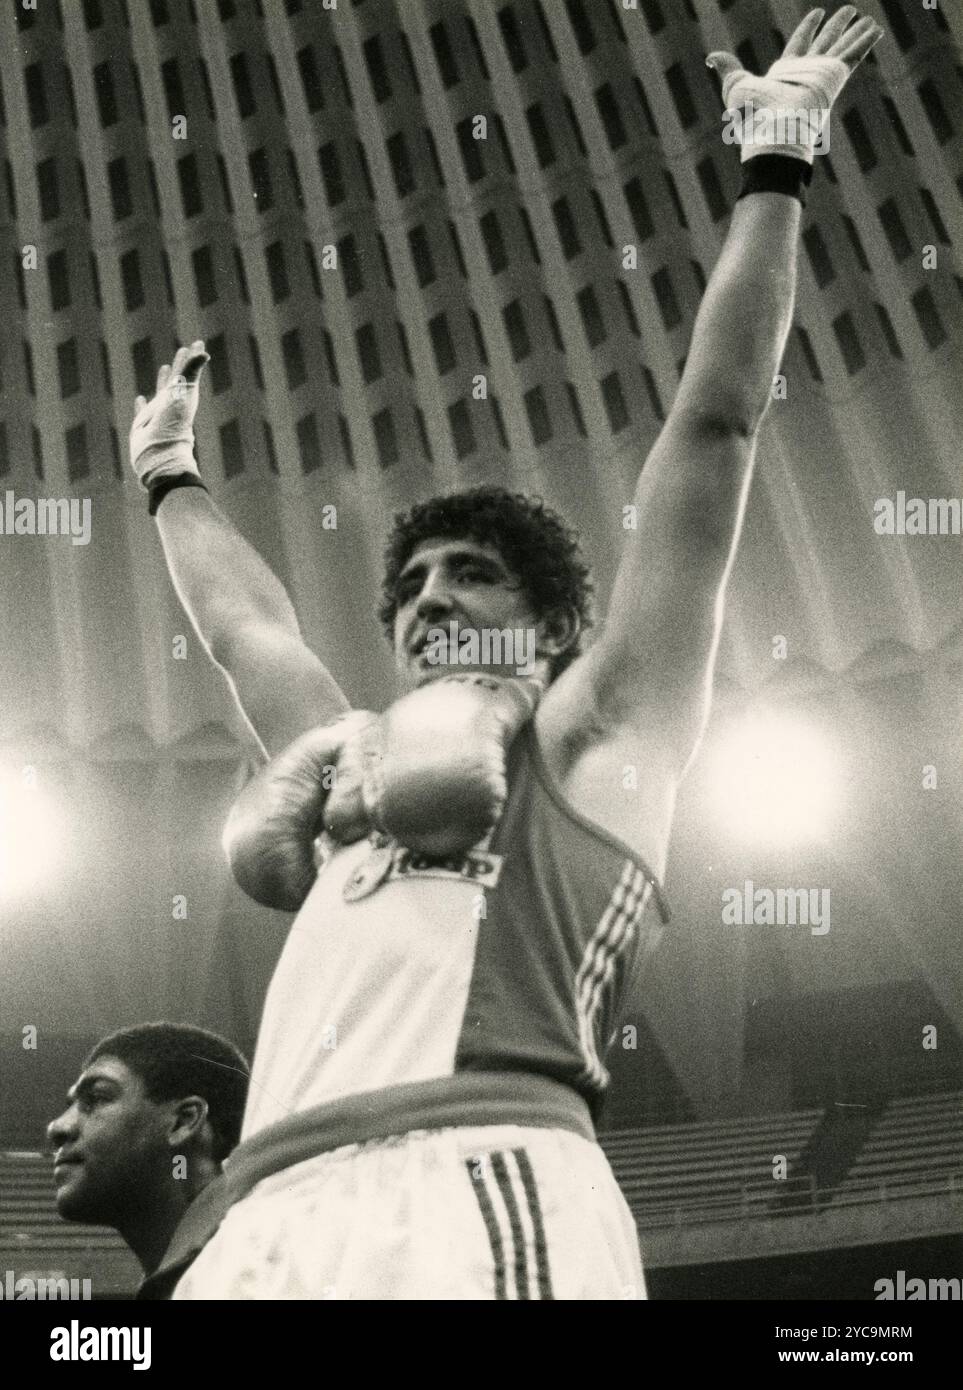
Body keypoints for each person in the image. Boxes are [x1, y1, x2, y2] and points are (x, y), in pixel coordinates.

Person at [128, 9, 884, 1299]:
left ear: (546, 622)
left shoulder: (600, 728)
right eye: (412, 582)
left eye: (467, 573)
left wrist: (776, 166)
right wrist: (167, 475)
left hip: (485, 1185)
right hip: (259, 1225)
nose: (427, 598)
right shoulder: (347, 762)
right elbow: (249, 630)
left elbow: (713, 431)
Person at [46, 1023, 250, 1300]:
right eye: (69, 1106)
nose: (57, 1127)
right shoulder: (206, 1271)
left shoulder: (267, 1262)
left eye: (96, 1098)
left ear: (183, 1121)